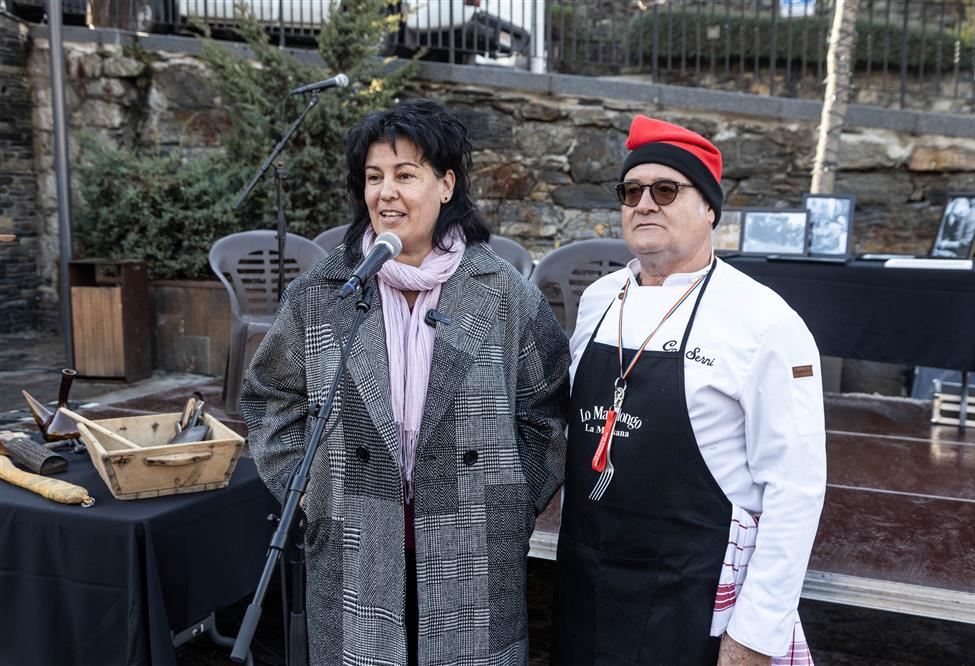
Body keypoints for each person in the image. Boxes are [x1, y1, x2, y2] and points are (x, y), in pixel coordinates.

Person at [242, 98, 569, 665]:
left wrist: (510, 502)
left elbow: (548, 411)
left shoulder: (504, 292)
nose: (385, 192)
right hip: (356, 543)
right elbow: (270, 399)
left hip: (474, 547)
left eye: (404, 174)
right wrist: (317, 491)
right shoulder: (325, 293)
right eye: (373, 177)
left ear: (446, 185)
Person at [552, 115, 826, 666]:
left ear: (709, 209)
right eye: (631, 191)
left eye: (666, 189)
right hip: (587, 578)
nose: (644, 203)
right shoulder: (601, 299)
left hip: (688, 597)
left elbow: (795, 489)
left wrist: (754, 635)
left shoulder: (766, 322)